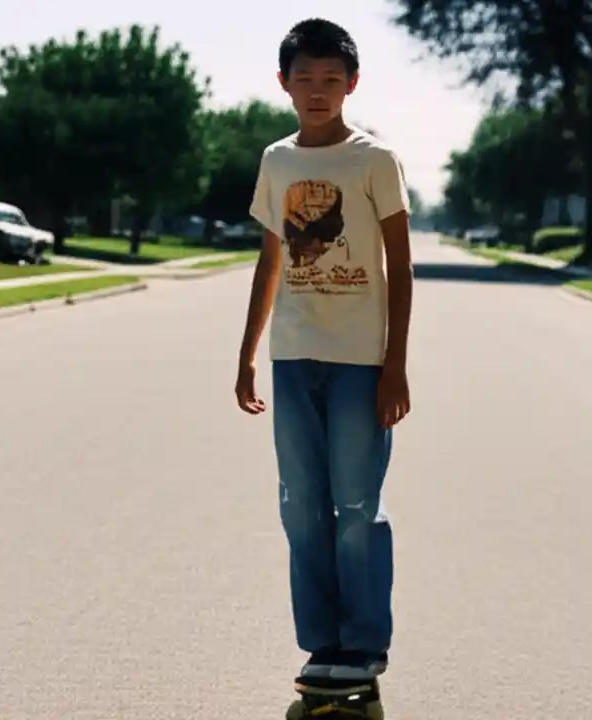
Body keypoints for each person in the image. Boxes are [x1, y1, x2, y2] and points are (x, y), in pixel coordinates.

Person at [234, 17, 413, 682]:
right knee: (301, 505)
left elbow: (400, 266)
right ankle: (322, 643)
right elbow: (271, 259)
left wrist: (395, 366)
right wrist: (247, 354)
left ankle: (363, 643)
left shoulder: (374, 161)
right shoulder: (277, 161)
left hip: (360, 363)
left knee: (357, 505)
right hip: (292, 356)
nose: (317, 90)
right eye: (304, 78)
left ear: (352, 84)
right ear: (283, 82)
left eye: (331, 79)